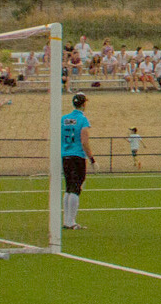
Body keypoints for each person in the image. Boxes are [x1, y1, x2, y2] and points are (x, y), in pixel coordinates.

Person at [59, 93, 95, 229]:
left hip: (65, 155)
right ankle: (71, 222)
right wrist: (92, 159)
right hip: (77, 156)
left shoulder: (64, 119)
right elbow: (84, 141)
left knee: (68, 188)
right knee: (76, 189)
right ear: (84, 104)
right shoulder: (83, 120)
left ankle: (66, 220)